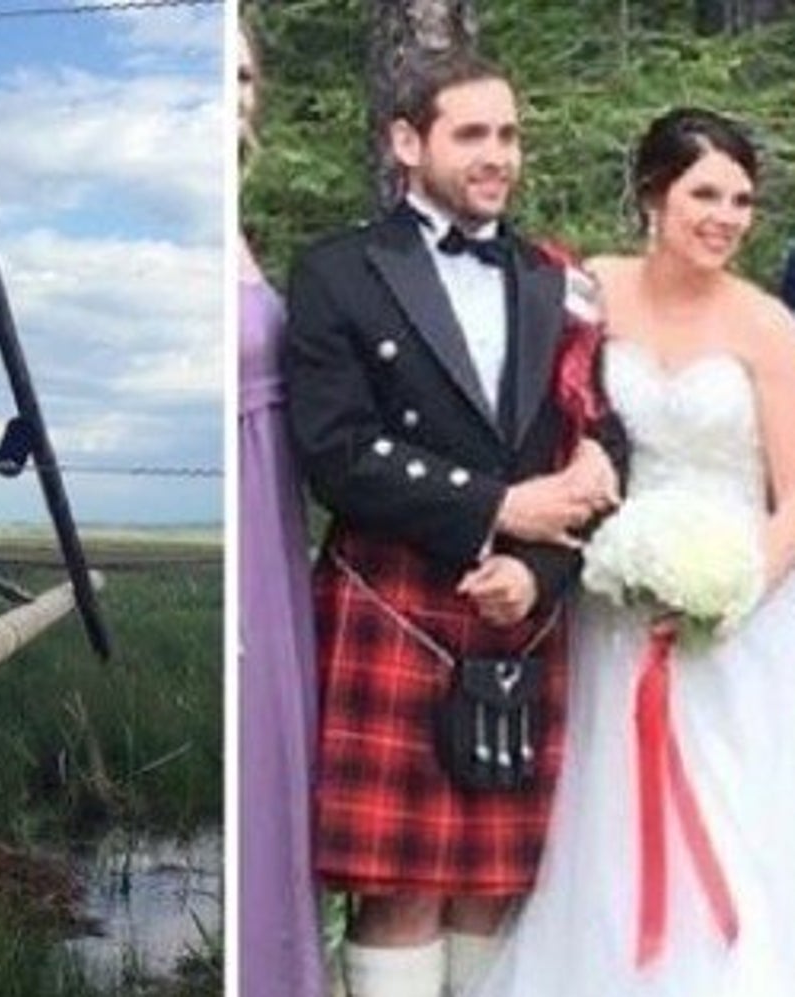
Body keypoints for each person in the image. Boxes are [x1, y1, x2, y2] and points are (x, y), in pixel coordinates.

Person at [281, 52, 626, 997]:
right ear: (406, 143)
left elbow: (604, 449)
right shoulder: (339, 273)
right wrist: (496, 511)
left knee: (494, 891)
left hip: (523, 608)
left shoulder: (557, 281)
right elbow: (337, 452)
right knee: (398, 895)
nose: (498, 156)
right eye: (472, 134)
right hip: (393, 598)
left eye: (509, 134)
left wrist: (541, 572)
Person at [475, 108, 795, 996]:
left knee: (733, 812)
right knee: (602, 814)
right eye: (705, 193)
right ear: (655, 193)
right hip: (607, 598)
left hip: (736, 618)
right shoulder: (590, 290)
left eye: (742, 200)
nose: (725, 217)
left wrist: (733, 595)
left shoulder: (767, 326)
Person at [235, 21, 327, 997]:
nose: (234, 92)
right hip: (240, 519)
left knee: (273, 780)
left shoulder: (244, 221)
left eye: (244, 73)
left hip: (274, 530)